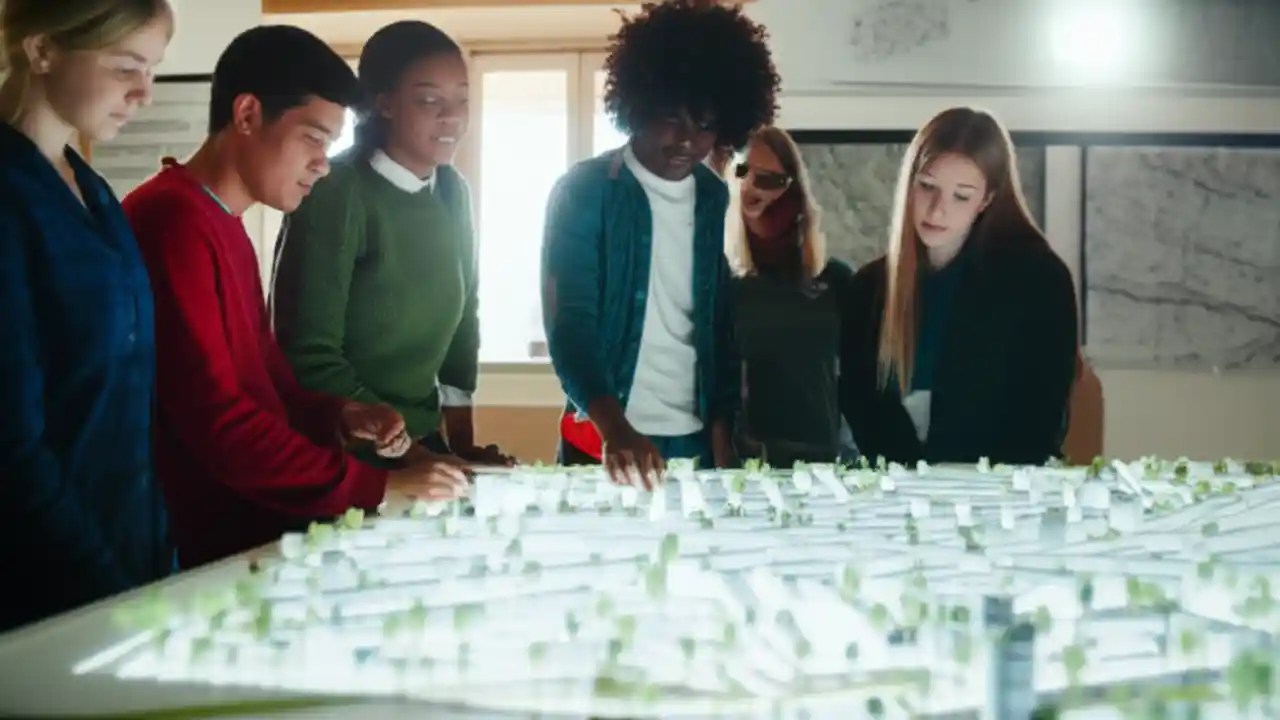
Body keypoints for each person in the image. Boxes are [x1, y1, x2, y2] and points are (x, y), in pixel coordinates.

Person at [122, 26, 467, 569]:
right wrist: (375, 486)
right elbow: (219, 421)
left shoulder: (223, 222)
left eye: (329, 145)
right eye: (312, 138)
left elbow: (269, 381)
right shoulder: (171, 220)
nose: (323, 163)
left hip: (248, 526)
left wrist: (339, 414)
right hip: (197, 542)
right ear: (248, 115)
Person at [541, 0, 780, 487]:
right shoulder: (585, 191)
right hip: (606, 437)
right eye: (671, 118)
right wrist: (616, 430)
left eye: (706, 123)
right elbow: (570, 326)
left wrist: (721, 430)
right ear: (638, 105)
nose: (687, 141)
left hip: (694, 442)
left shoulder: (714, 198)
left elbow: (716, 325)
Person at [0, 0, 174, 630]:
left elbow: (126, 401)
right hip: (47, 583)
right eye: (127, 66)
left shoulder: (90, 188)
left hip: (128, 554)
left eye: (152, 70)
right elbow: (12, 447)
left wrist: (157, 561)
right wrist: (105, 588)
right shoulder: (9, 196)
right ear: (43, 50)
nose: (143, 94)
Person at [273, 21, 510, 474]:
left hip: (421, 443)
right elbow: (307, 353)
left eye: (462, 99)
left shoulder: (452, 191)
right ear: (383, 103)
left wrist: (459, 446)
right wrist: (412, 458)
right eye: (429, 101)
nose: (452, 117)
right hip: (344, 452)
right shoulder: (336, 191)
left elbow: (464, 320)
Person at [839, 107, 1078, 465]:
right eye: (927, 187)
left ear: (987, 199)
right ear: (908, 184)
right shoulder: (868, 288)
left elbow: (1038, 420)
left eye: (961, 196)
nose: (937, 211)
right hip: (897, 491)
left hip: (1002, 492)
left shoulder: (1040, 281)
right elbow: (864, 408)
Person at [725, 126, 856, 468]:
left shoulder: (837, 281)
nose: (750, 186)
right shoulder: (726, 285)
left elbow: (864, 387)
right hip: (751, 467)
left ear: (792, 191)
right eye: (742, 171)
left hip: (826, 463)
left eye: (768, 180)